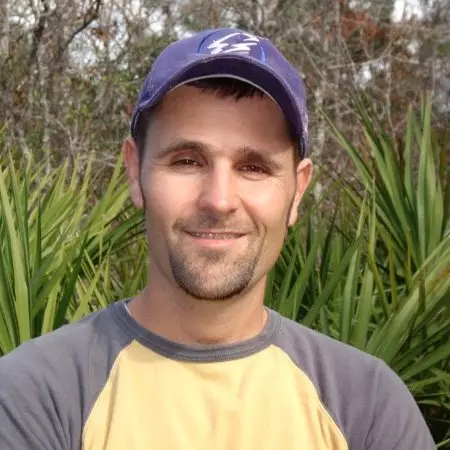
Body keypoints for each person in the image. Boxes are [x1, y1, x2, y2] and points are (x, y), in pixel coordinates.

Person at [0, 27, 435, 450]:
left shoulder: (368, 406)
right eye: (187, 161)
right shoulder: (37, 396)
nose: (220, 200)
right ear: (135, 172)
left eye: (254, 167)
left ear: (298, 190)